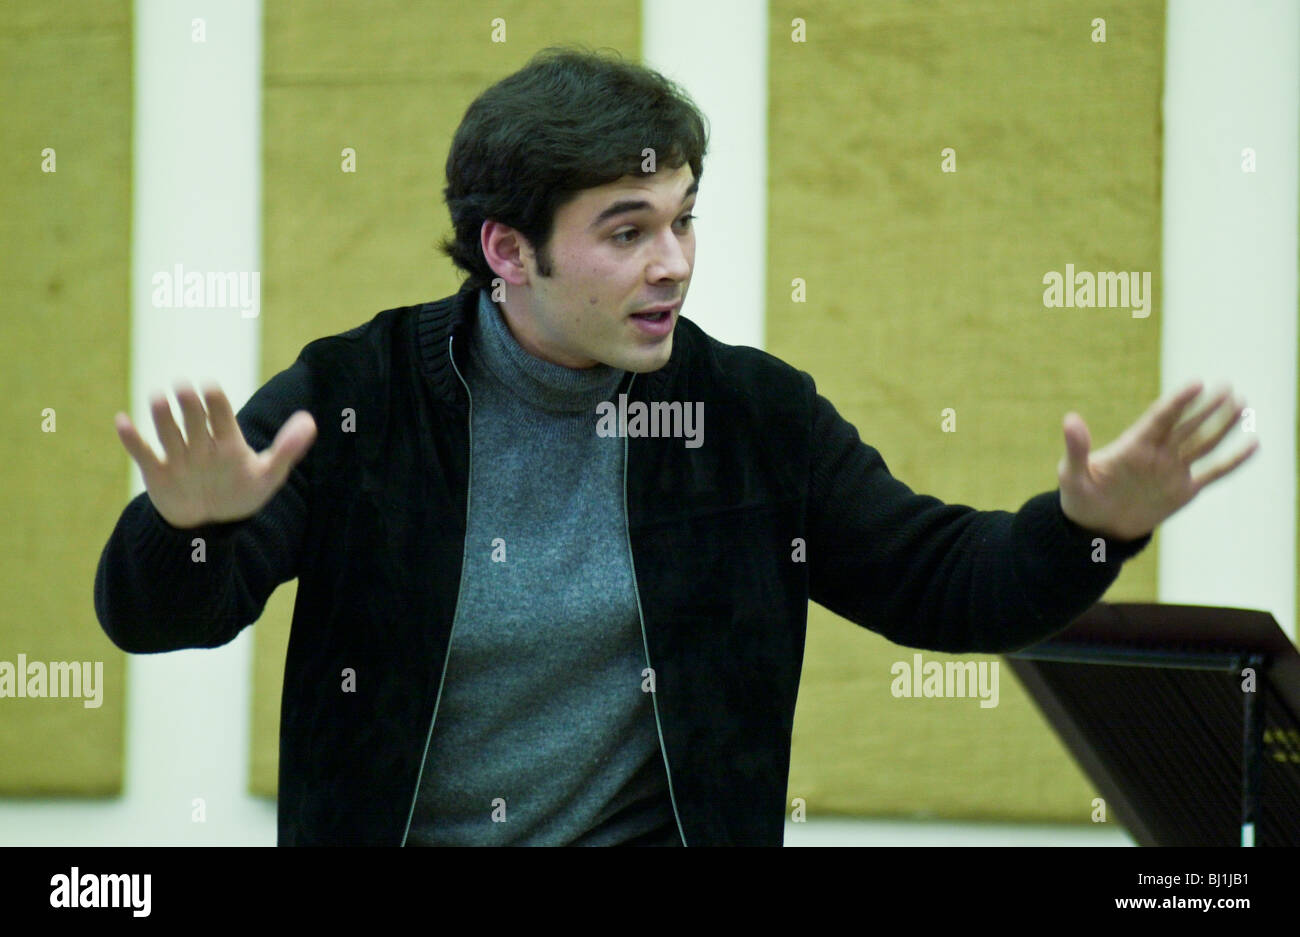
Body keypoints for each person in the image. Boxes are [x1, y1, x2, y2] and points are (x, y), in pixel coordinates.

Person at [93, 46, 1258, 846]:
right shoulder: (359, 397)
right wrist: (192, 527)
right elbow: (158, 618)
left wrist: (1091, 528)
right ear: (507, 250)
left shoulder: (747, 416)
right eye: (627, 230)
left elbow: (945, 587)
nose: (676, 263)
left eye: (684, 217)